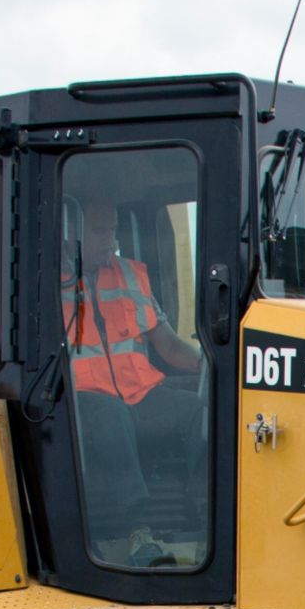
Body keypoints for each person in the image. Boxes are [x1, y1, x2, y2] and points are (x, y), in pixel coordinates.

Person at [64, 198, 208, 563]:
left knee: (198, 410)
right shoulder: (51, 283)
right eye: (100, 231)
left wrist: (210, 364)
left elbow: (168, 346)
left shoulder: (130, 276)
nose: (111, 240)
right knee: (112, 416)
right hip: (81, 400)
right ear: (72, 232)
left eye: (113, 229)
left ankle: (207, 515)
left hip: (139, 393)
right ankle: (138, 531)